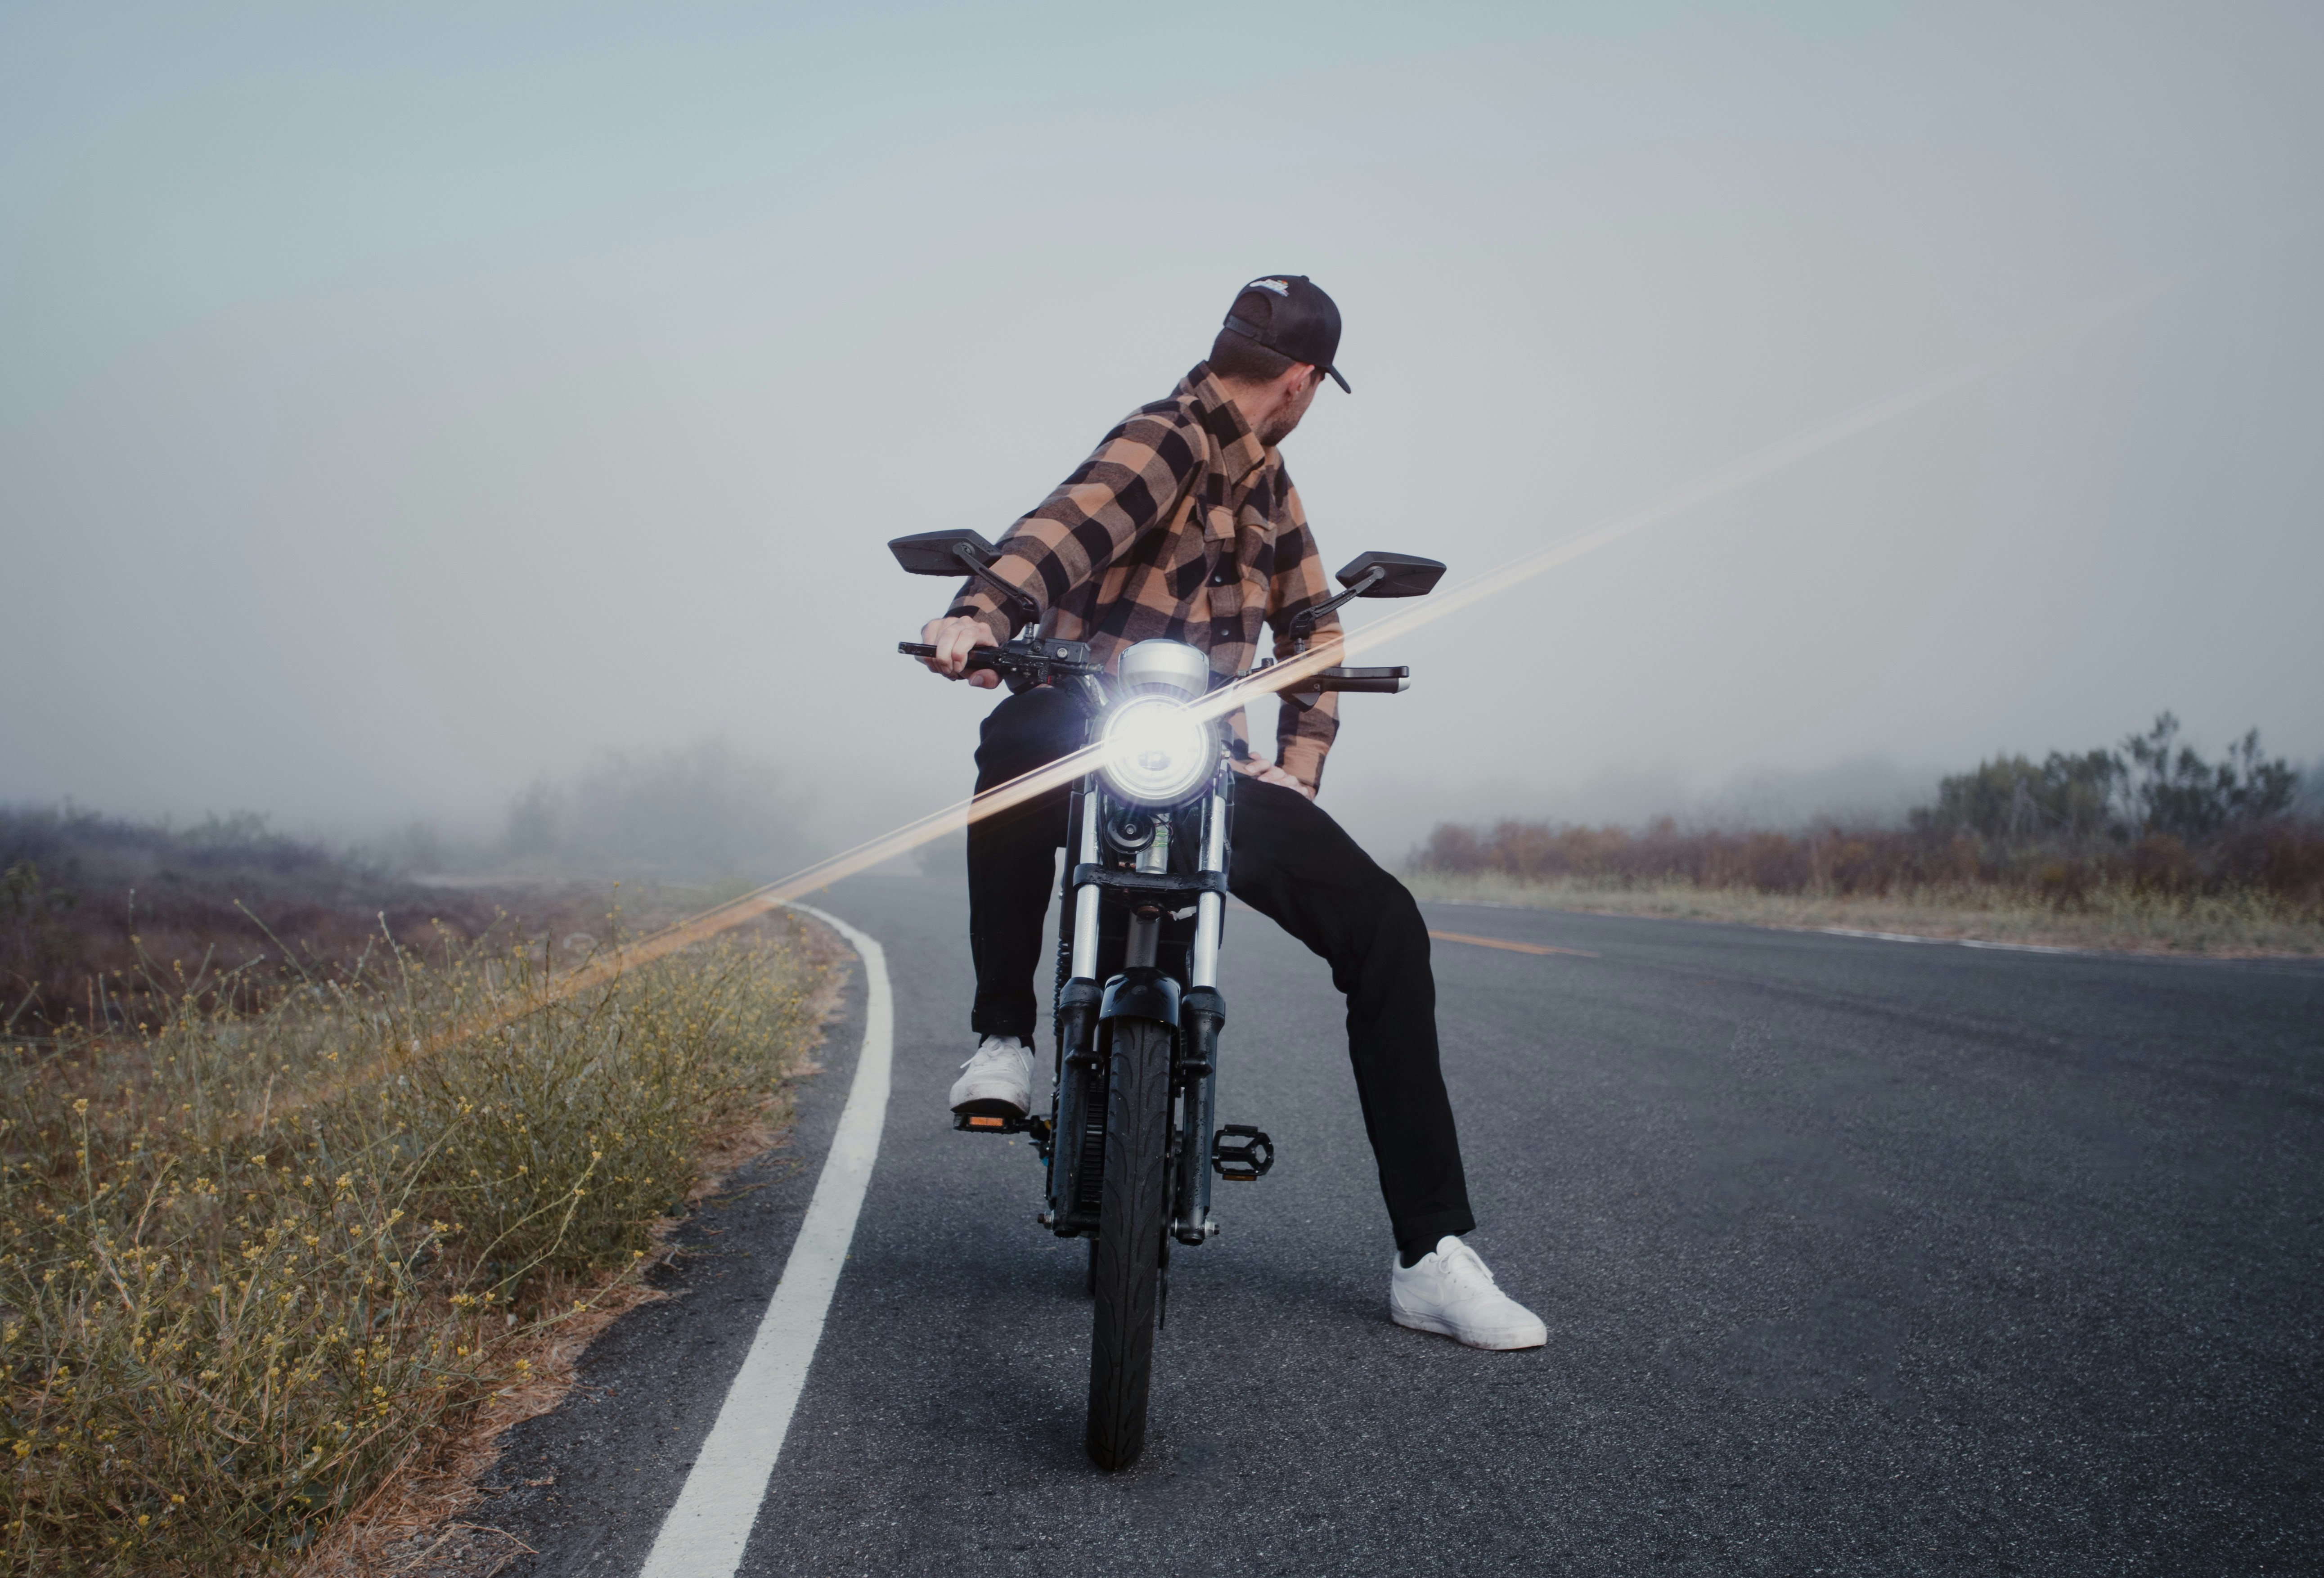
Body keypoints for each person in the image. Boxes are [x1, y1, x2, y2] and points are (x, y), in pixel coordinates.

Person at [917, 275, 1544, 1351]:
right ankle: (1004, 1036)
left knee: (1387, 925)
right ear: (1303, 379)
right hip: (1092, 727)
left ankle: (1432, 1254)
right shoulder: (1166, 435)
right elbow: (1066, 525)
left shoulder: (1271, 487)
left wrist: (1297, 764)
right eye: (1313, 386)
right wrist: (983, 610)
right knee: (1017, 737)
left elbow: (1314, 627)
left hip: (1206, 762)